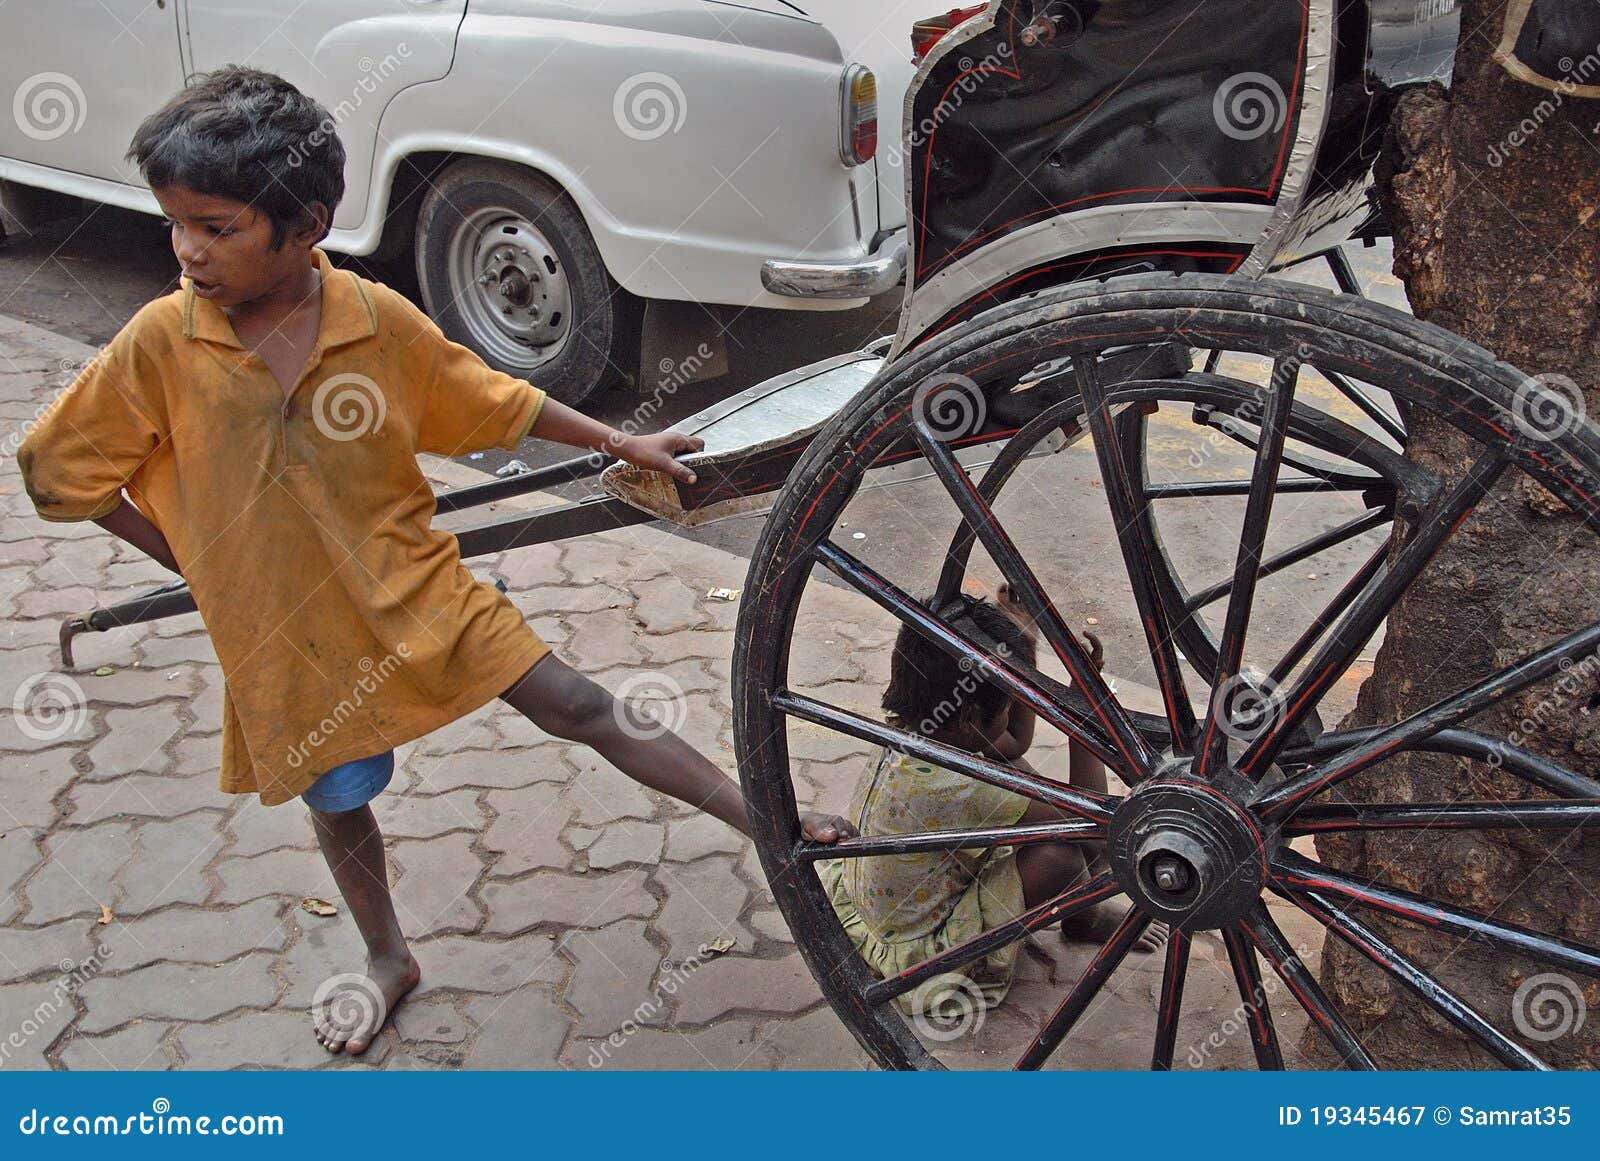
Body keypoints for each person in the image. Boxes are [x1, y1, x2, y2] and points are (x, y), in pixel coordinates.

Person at [15, 67, 851, 1056]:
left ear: (308, 221)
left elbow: (492, 398)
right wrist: (197, 566)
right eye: (178, 225)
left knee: (579, 704)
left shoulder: (374, 318)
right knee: (342, 801)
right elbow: (59, 474)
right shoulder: (161, 341)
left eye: (218, 227)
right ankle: (386, 958)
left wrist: (623, 444)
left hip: (412, 580)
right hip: (290, 630)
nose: (189, 250)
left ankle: (765, 820)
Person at [820, 585, 1163, 1019]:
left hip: (884, 904)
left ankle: (1078, 908)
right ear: (966, 717)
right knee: (1061, 853)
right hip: (920, 952)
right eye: (1005, 706)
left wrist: (1024, 645)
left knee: (1015, 766)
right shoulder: (953, 787)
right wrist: (1085, 706)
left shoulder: (913, 728)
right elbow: (1093, 824)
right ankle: (1083, 917)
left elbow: (1013, 741)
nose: (1008, 717)